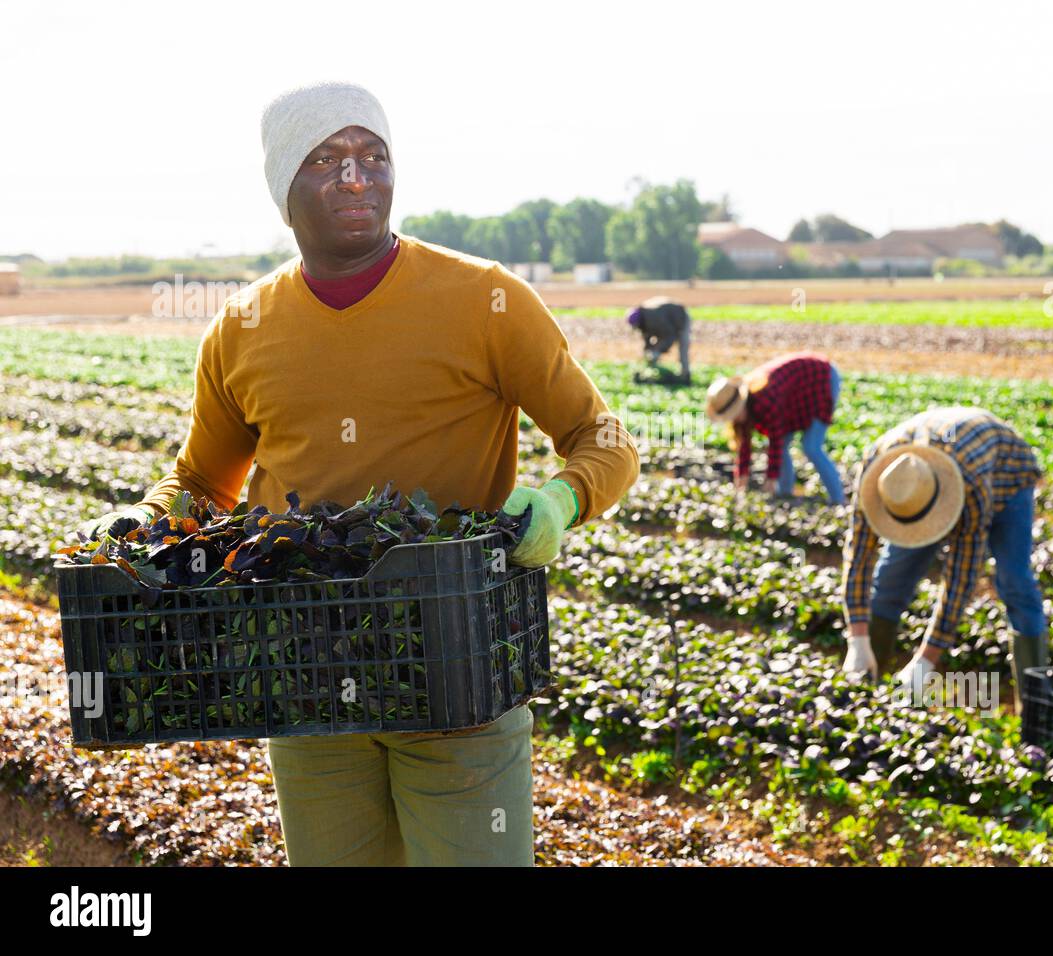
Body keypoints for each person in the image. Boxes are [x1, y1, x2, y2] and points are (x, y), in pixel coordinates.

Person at [77, 80, 639, 866]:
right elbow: (206, 483)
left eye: (372, 156)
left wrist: (559, 500)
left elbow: (603, 435)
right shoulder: (241, 329)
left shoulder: (485, 300)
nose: (355, 177)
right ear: (284, 188)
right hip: (305, 678)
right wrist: (142, 519)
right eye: (326, 159)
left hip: (457, 673)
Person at [840, 406, 1047, 713]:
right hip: (936, 468)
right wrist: (856, 640)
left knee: (1014, 581)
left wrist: (926, 659)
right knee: (891, 578)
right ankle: (870, 676)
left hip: (1008, 477)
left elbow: (961, 577)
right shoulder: (880, 472)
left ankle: (1035, 704)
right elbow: (858, 555)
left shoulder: (971, 486)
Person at [704, 351, 845, 505]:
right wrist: (741, 480)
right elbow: (744, 446)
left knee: (811, 447)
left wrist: (771, 479)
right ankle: (786, 494)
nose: (734, 419)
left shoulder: (765, 397)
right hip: (796, 391)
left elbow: (776, 441)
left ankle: (839, 500)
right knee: (785, 446)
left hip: (821, 379)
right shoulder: (744, 409)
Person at [626, 296, 691, 384]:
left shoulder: (655, 318)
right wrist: (648, 350)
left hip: (681, 318)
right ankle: (654, 368)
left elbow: (670, 335)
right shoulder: (644, 318)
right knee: (654, 351)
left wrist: (659, 350)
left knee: (683, 347)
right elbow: (647, 337)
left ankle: (685, 376)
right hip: (667, 321)